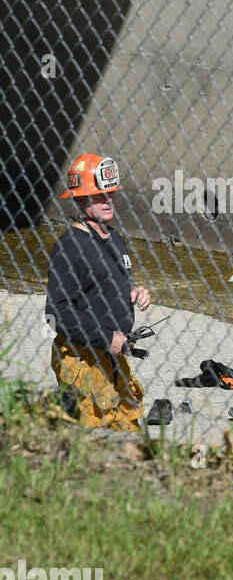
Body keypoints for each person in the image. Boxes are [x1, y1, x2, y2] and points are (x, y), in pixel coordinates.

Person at [45, 153, 151, 432]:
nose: (108, 201)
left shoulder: (113, 237)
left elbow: (111, 280)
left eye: (111, 193)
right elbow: (57, 311)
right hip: (84, 356)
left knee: (128, 430)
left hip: (114, 355)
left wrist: (133, 291)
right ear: (80, 200)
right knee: (97, 434)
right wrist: (106, 337)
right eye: (99, 195)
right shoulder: (69, 247)